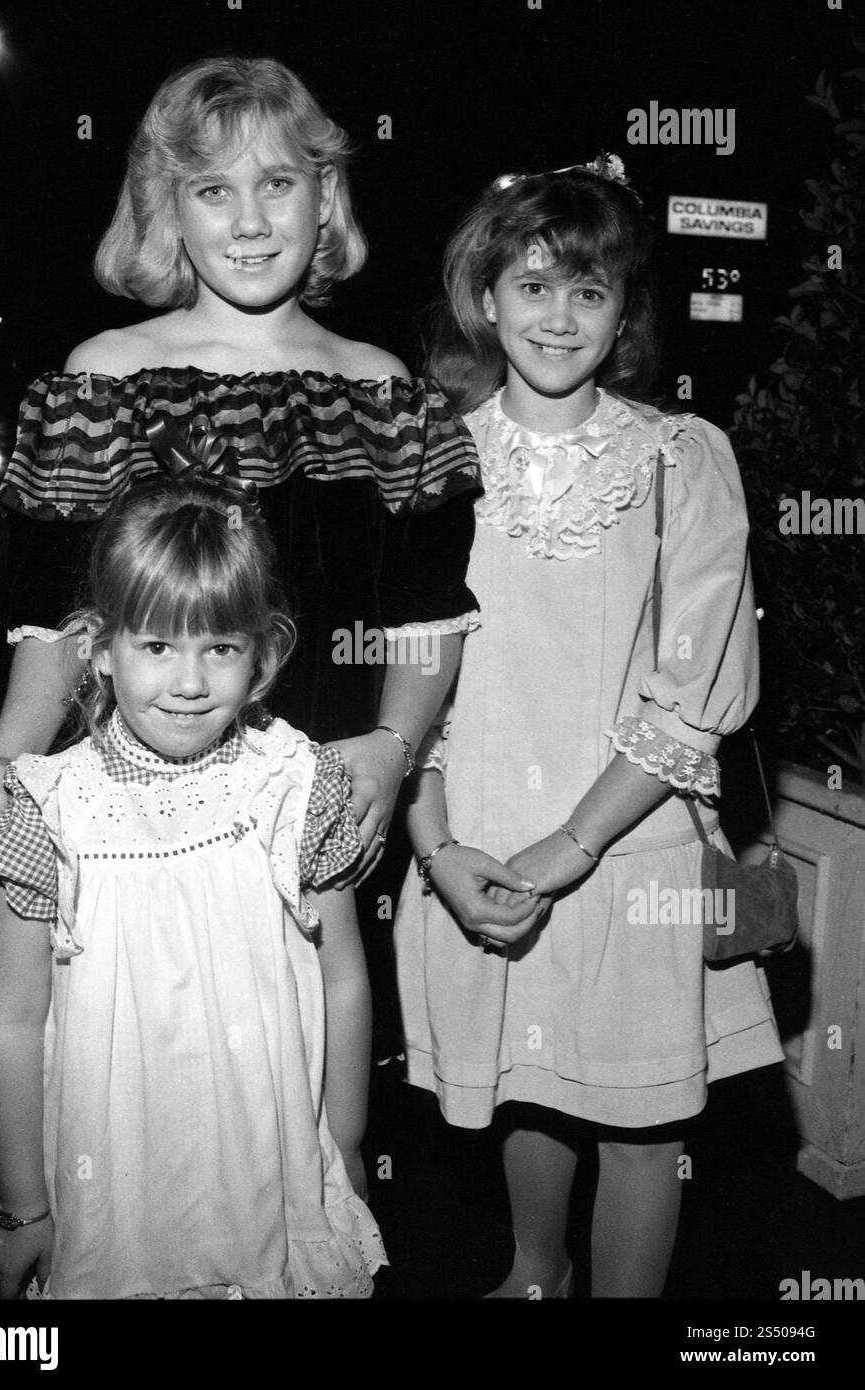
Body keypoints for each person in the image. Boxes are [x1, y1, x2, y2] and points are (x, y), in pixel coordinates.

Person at [0, 53, 503, 916]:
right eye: (212, 190)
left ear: (325, 199)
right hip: (132, 817)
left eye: (277, 183)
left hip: (316, 823)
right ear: (169, 209)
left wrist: (393, 745)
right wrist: (11, 755)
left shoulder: (384, 392)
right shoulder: (104, 378)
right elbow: (56, 610)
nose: (250, 222)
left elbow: (423, 612)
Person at [393, 156, 784, 1299]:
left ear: (622, 314)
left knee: (638, 1117)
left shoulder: (681, 458)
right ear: (486, 297)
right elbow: (404, 684)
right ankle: (531, 1274)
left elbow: (697, 691)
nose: (556, 315)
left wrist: (567, 849)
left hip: (628, 839)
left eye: (588, 291)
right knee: (527, 1080)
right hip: (471, 844)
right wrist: (439, 850)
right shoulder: (428, 456)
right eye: (533, 285)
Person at [0, 472, 386, 1299]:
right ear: (98, 647)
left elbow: (343, 975)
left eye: (219, 648)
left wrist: (347, 1142)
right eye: (156, 646)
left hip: (270, 1161)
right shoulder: (46, 807)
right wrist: (22, 1206)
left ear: (261, 653)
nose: (189, 682)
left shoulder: (297, 782)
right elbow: (11, 1018)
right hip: (107, 1173)